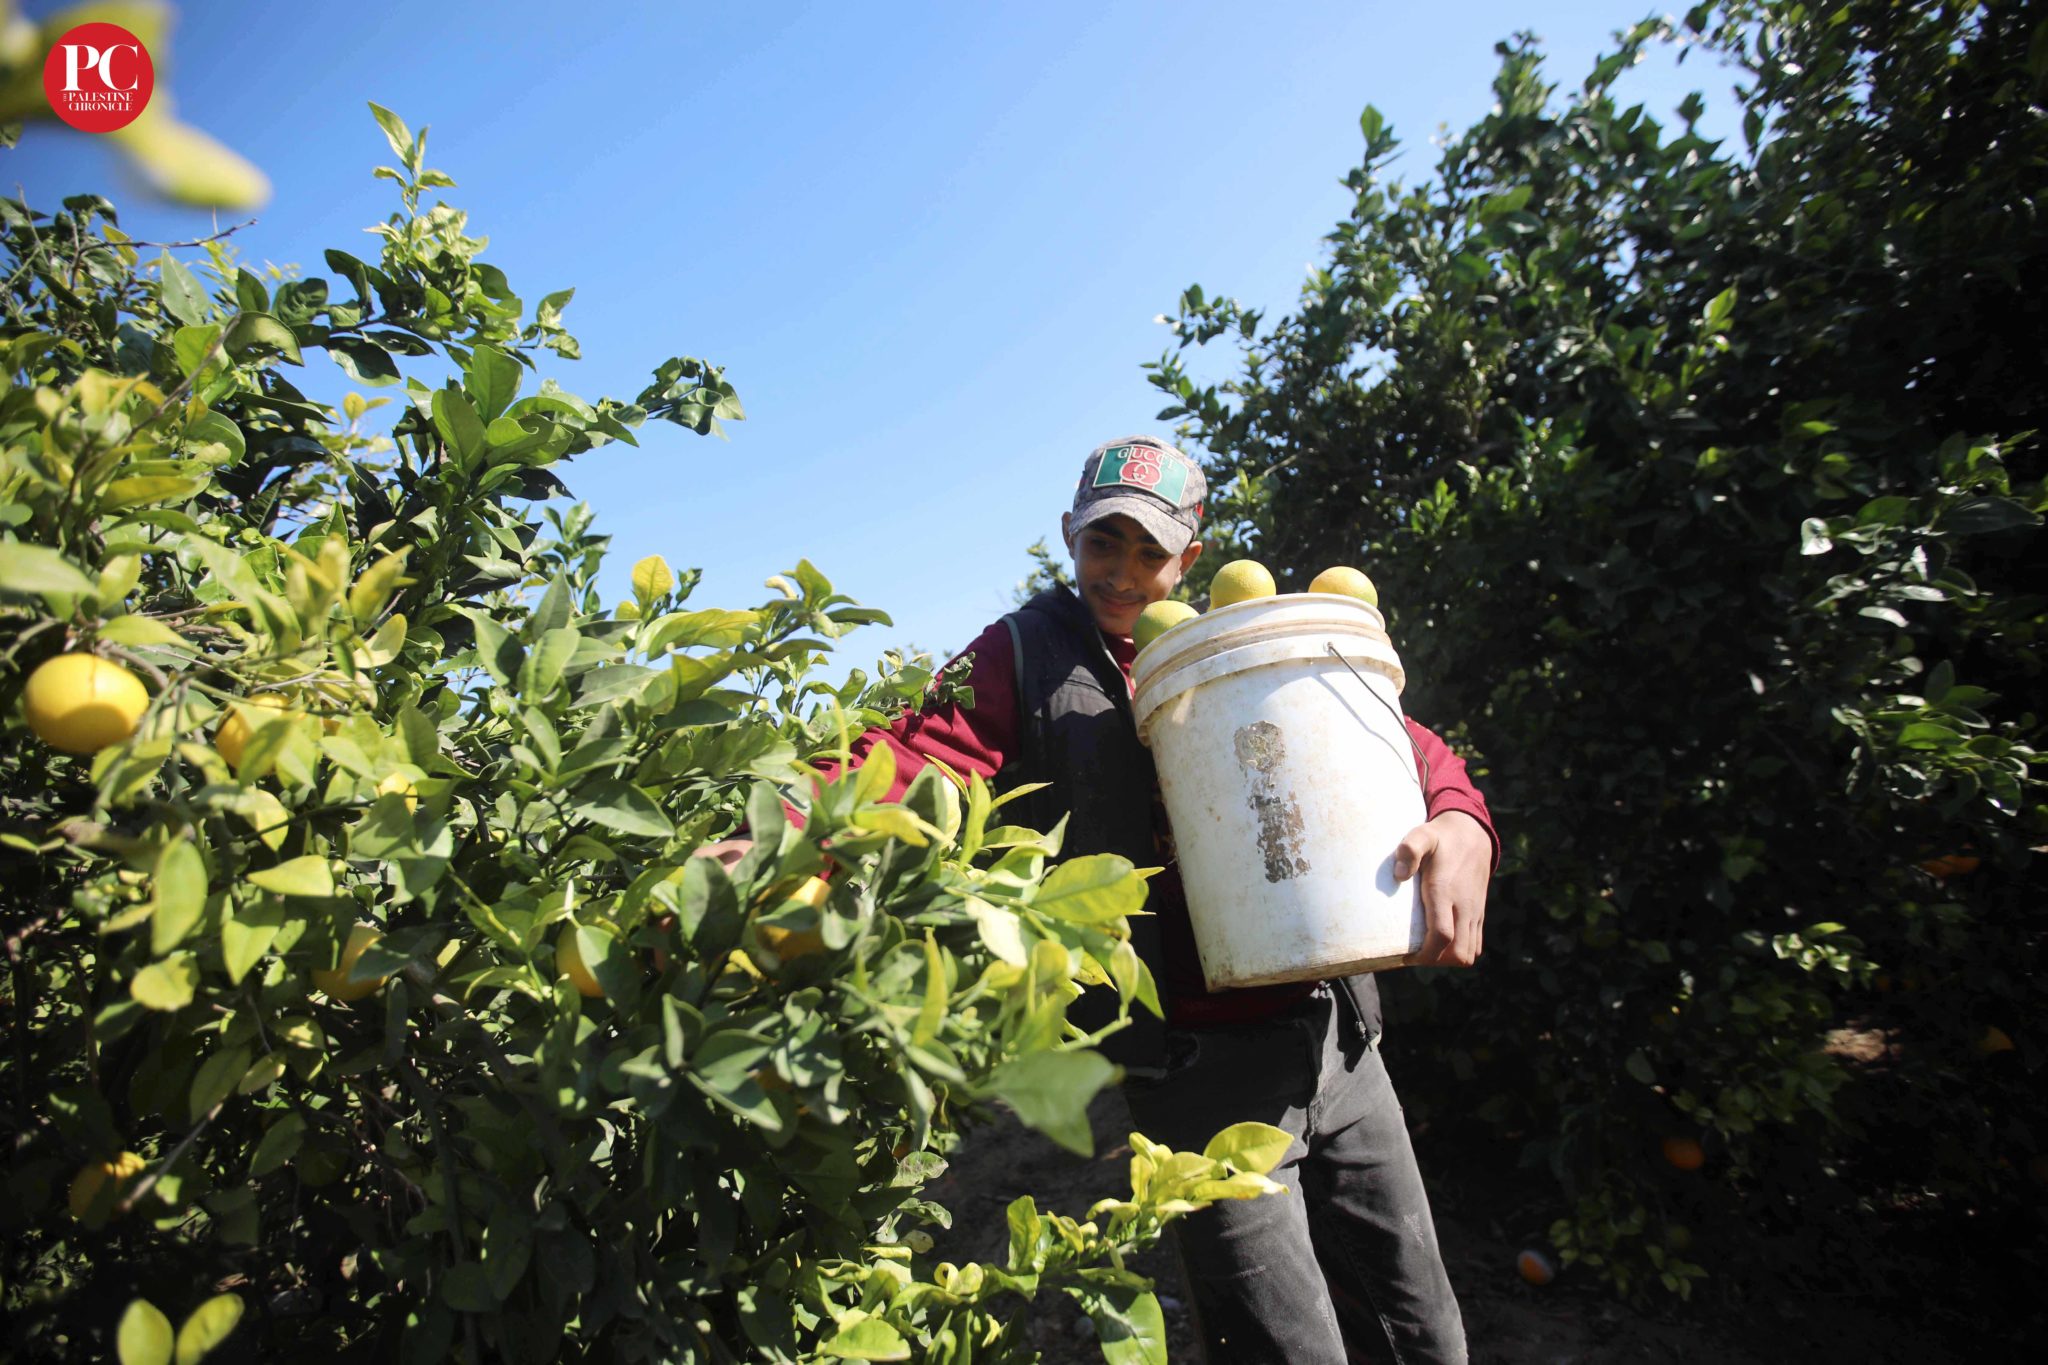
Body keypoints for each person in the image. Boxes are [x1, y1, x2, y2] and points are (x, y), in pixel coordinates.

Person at [762, 435, 1495, 1363]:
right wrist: (785, 826)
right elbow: (911, 756)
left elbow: (1382, 729)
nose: (1121, 573)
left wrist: (1463, 816)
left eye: (1149, 552)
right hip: (1201, 1067)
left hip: (1340, 1031)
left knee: (1422, 1328)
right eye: (1102, 543)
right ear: (1069, 536)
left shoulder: (1239, 636)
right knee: (1284, 1347)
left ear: (1189, 557)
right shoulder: (1025, 655)